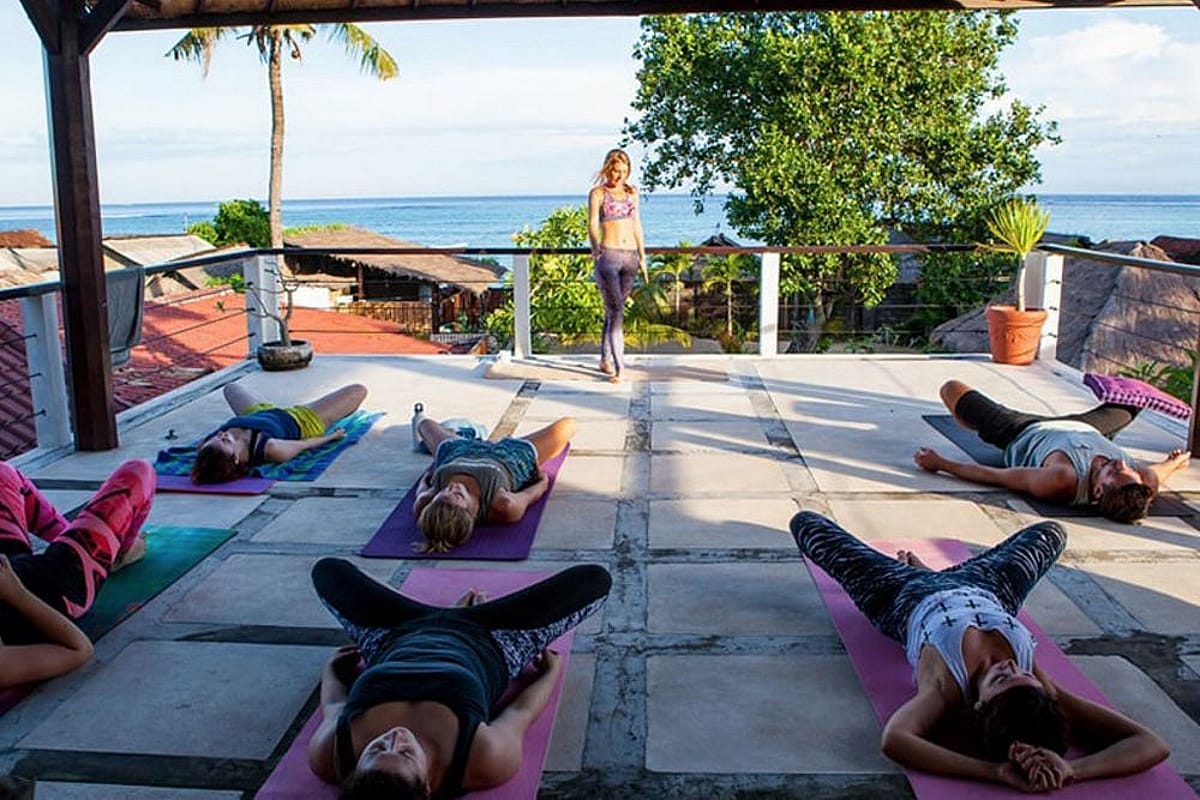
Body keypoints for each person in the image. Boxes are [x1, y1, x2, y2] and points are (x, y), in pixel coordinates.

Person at [790, 511, 1170, 792]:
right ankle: (932, 570)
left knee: (807, 524)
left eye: (1000, 678)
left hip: (900, 595)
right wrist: (1077, 769)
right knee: (1051, 532)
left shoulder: (945, 691)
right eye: (1019, 672)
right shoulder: (1043, 692)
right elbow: (1152, 744)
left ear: (980, 706)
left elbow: (896, 740)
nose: (1008, 665)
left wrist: (995, 772)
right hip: (990, 588)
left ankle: (923, 572)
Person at [307, 558, 611, 800]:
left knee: (328, 570)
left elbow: (335, 702)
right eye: (405, 753)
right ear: (426, 787)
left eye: (376, 748)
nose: (396, 736)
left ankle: (440, 610)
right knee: (596, 580)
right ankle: (462, 611)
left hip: (393, 631)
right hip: (493, 636)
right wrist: (550, 673)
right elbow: (520, 713)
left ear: (355, 772)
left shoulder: (331, 753)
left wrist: (332, 670)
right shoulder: (482, 761)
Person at [914, 380, 1191, 523]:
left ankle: (970, 422)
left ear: (1097, 492)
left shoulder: (1061, 479)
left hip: (1025, 429)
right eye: (1126, 469)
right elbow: (1157, 474)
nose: (1120, 463)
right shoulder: (1140, 483)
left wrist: (941, 463)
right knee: (1135, 398)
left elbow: (996, 476)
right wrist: (1174, 463)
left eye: (1112, 471)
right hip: (1089, 428)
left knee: (952, 389)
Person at [0, 460, 154, 688]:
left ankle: (78, 538)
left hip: (11, 560)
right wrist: (16, 593)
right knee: (140, 473)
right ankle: (113, 555)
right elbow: (79, 649)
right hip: (54, 582)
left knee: (3, 472)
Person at [412, 406, 575, 553]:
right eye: (458, 495)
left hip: (456, 452)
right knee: (569, 425)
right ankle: (464, 434)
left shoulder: (426, 503)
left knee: (424, 425)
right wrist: (541, 480)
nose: (453, 486)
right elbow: (531, 494)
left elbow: (422, 490)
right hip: (510, 457)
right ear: (471, 513)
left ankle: (461, 434)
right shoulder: (503, 506)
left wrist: (427, 480)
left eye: (444, 490)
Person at [191, 381, 367, 484]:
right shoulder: (271, 448)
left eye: (217, 436)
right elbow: (304, 444)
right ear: (235, 458)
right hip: (299, 419)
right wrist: (333, 436)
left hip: (256, 413)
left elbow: (206, 461)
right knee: (358, 391)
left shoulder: (207, 449)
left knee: (230, 388)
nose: (221, 435)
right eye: (225, 441)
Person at [587, 148, 648, 383]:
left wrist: (642, 256)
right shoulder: (598, 193)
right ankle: (620, 367)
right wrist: (595, 246)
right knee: (617, 312)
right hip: (609, 256)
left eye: (623, 171)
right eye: (615, 171)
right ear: (607, 169)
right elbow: (592, 223)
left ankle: (604, 358)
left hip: (630, 257)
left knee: (614, 311)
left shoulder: (632, 193)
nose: (619, 176)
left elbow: (637, 225)